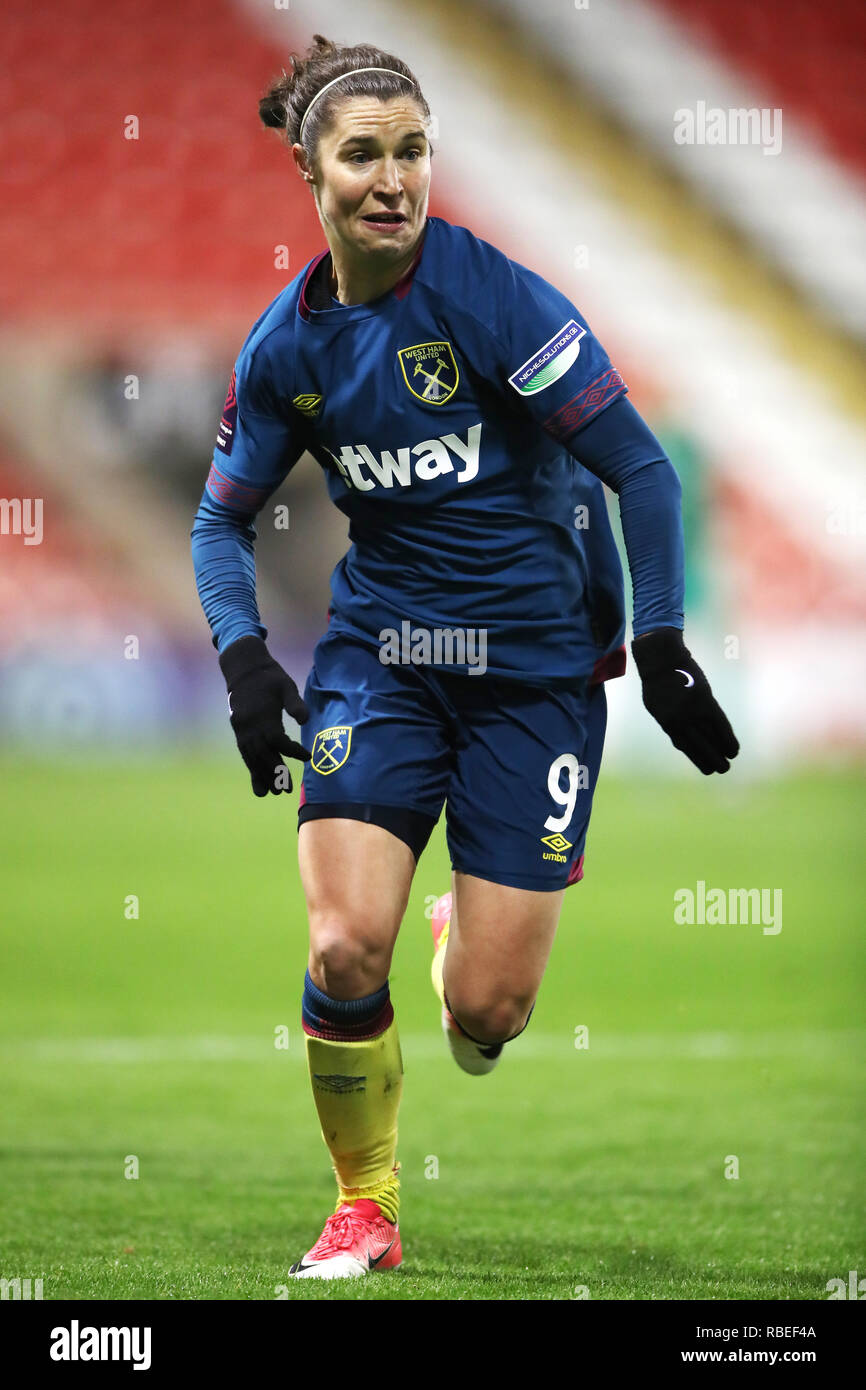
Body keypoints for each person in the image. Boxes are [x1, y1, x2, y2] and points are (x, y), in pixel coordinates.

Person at [190, 34, 739, 1281]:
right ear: (309, 172)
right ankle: (364, 1209)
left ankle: (466, 937)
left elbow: (638, 471)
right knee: (339, 949)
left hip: (534, 674)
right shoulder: (286, 350)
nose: (392, 179)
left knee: (486, 1020)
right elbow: (220, 516)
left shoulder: (498, 302)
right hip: (380, 657)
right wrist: (241, 659)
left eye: (413, 151)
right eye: (362, 155)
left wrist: (656, 642)